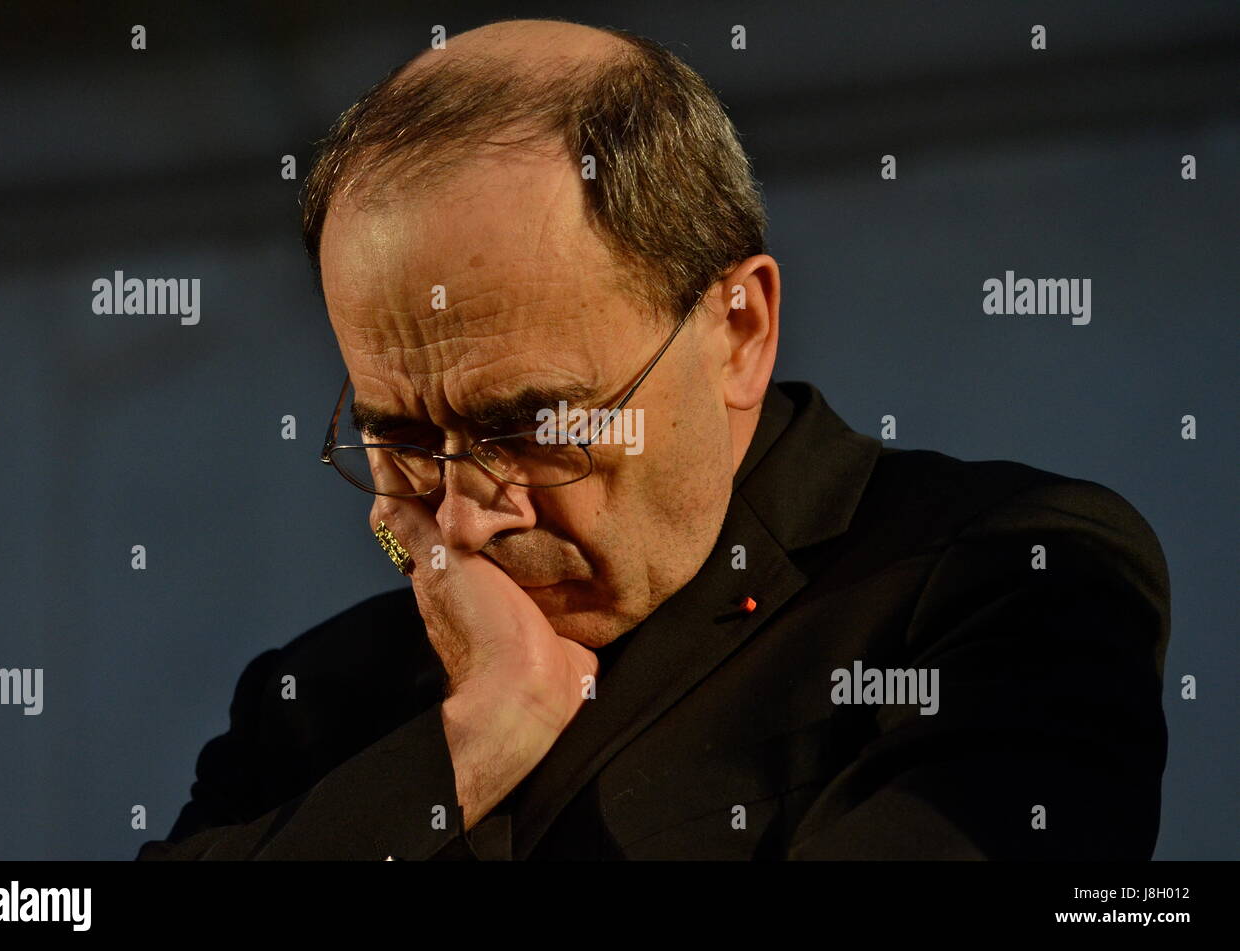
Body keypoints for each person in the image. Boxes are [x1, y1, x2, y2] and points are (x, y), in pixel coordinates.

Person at [136, 18, 1169, 861]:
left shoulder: (996, 582)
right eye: (399, 436)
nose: (459, 520)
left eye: (533, 425)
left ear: (738, 333)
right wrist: (471, 747)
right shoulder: (317, 701)